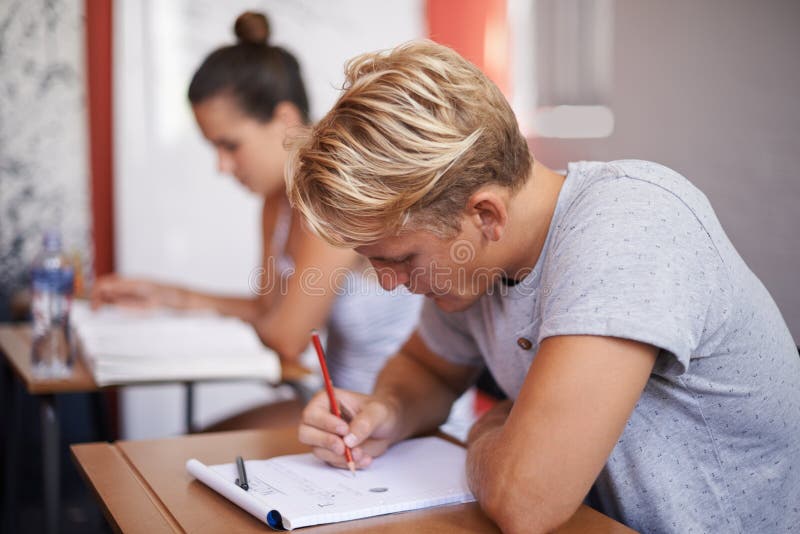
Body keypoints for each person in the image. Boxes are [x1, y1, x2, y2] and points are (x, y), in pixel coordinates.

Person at [288, 40, 800, 533]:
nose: (389, 283)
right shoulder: (473, 267)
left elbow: (526, 501)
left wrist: (488, 428)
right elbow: (429, 369)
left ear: (486, 215)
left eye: (402, 259)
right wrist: (387, 411)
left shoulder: (629, 226)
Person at [91, 12, 422, 414]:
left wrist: (218, 323)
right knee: (197, 443)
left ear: (284, 120)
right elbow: (268, 311)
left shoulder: (335, 200)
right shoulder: (274, 204)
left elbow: (287, 339)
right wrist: (167, 297)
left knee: (197, 444)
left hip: (398, 417)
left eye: (230, 145)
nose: (222, 166)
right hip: (336, 407)